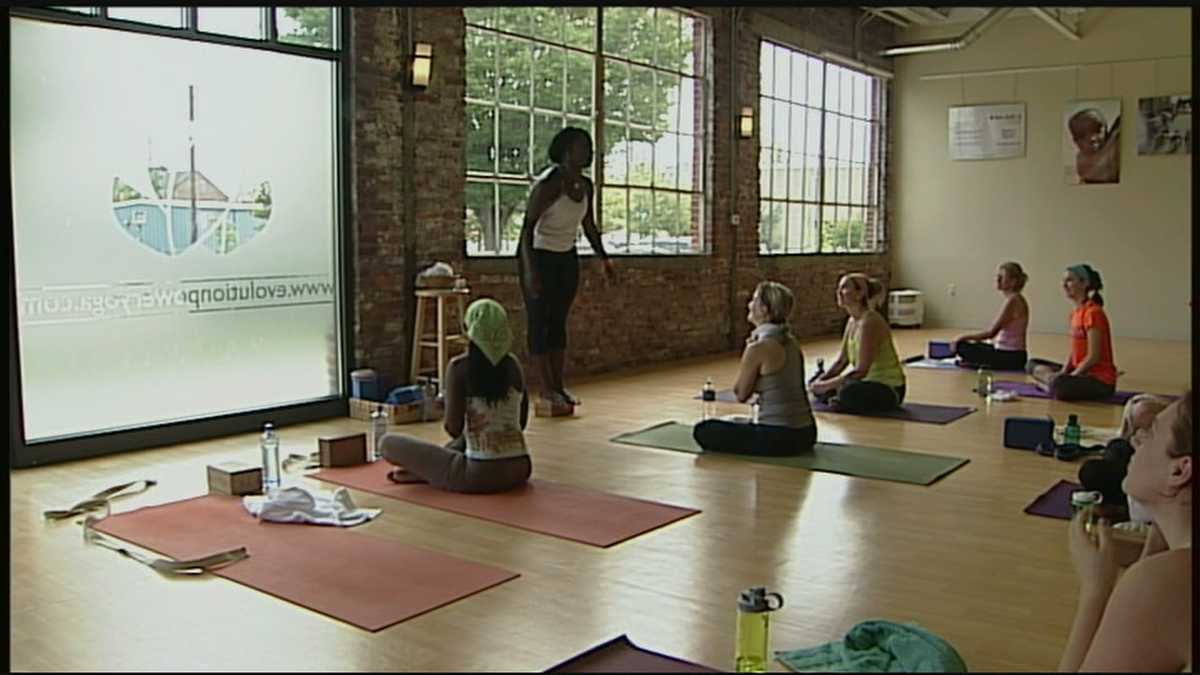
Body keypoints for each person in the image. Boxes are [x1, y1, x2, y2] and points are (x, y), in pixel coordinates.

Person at [1057, 391, 1192, 672]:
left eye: (1152, 433)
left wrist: (1096, 588)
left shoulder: (1167, 582)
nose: (1137, 440)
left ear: (1179, 471)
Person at [380, 299, 531, 493]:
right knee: (458, 444)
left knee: (387, 443)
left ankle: (425, 473)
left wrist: (444, 405)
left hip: (478, 475)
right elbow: (521, 423)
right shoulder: (514, 366)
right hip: (520, 469)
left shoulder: (459, 367)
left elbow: (453, 427)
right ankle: (424, 473)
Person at [518, 127, 617, 408]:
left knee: (558, 323)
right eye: (581, 146)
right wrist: (530, 273)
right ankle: (546, 389)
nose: (587, 152)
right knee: (539, 324)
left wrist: (604, 258)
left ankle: (559, 386)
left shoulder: (586, 186)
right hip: (538, 257)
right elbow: (526, 231)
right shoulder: (548, 185)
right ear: (565, 151)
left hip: (565, 258)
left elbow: (588, 226)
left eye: (589, 146)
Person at [693, 281, 817, 456]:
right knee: (736, 422)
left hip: (781, 438)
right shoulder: (791, 341)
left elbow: (741, 394)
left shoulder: (759, 348)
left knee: (704, 430)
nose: (749, 304)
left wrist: (747, 352)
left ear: (764, 309)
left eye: (754, 300)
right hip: (807, 433)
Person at [808, 273, 907, 414]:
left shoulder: (870, 322)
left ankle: (840, 398)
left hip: (888, 388)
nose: (839, 292)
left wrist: (825, 386)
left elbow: (861, 371)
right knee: (819, 382)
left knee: (847, 391)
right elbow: (841, 361)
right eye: (839, 288)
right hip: (863, 383)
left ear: (860, 294)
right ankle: (837, 398)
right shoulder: (851, 321)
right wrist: (820, 381)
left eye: (844, 288)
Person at [1027, 264, 1118, 401]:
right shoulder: (1075, 313)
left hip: (1099, 381)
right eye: (1064, 281)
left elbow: (1093, 356)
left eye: (1070, 280)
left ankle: (1049, 384)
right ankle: (1050, 383)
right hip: (1078, 373)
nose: (1064, 285)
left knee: (1060, 384)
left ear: (1084, 283)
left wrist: (1072, 375)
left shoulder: (1094, 313)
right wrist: (1064, 371)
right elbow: (1075, 352)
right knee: (1032, 363)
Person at [1077, 394, 1173, 514]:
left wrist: (1144, 451)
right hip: (1129, 471)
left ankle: (1119, 508)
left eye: (1151, 426)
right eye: (1140, 427)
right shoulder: (1122, 445)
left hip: (1152, 481)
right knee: (1093, 468)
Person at [951, 261, 1030, 371]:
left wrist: (961, 338)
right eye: (997, 276)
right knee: (975, 345)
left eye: (1001, 277)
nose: (997, 280)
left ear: (1013, 282)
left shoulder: (1013, 301)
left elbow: (991, 333)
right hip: (1012, 355)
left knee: (962, 346)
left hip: (1011, 357)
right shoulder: (1015, 299)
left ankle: (976, 363)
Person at [1067, 108, 1119, 184]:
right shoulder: (1081, 158)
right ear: (1076, 142)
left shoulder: (1111, 144)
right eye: (1083, 136)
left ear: (1106, 130)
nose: (1092, 138)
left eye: (1097, 130)